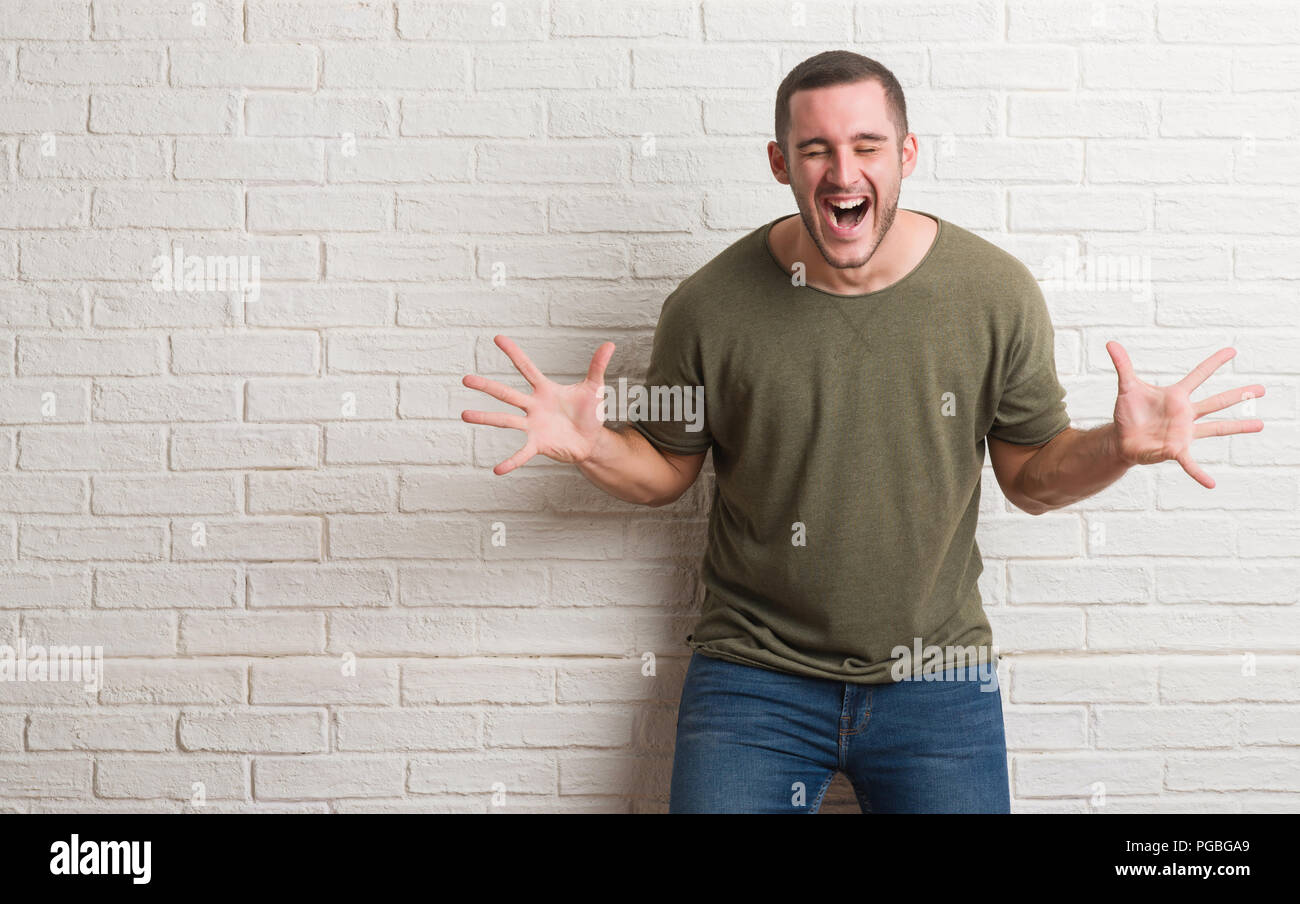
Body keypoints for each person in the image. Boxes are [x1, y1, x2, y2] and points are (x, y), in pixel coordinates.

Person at [460, 50, 1266, 813]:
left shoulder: (994, 295)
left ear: (906, 154)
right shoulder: (708, 307)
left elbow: (1032, 480)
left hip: (938, 677)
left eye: (865, 146)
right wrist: (595, 446)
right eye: (815, 150)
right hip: (753, 676)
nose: (843, 173)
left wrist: (1116, 449)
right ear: (780, 163)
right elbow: (667, 470)